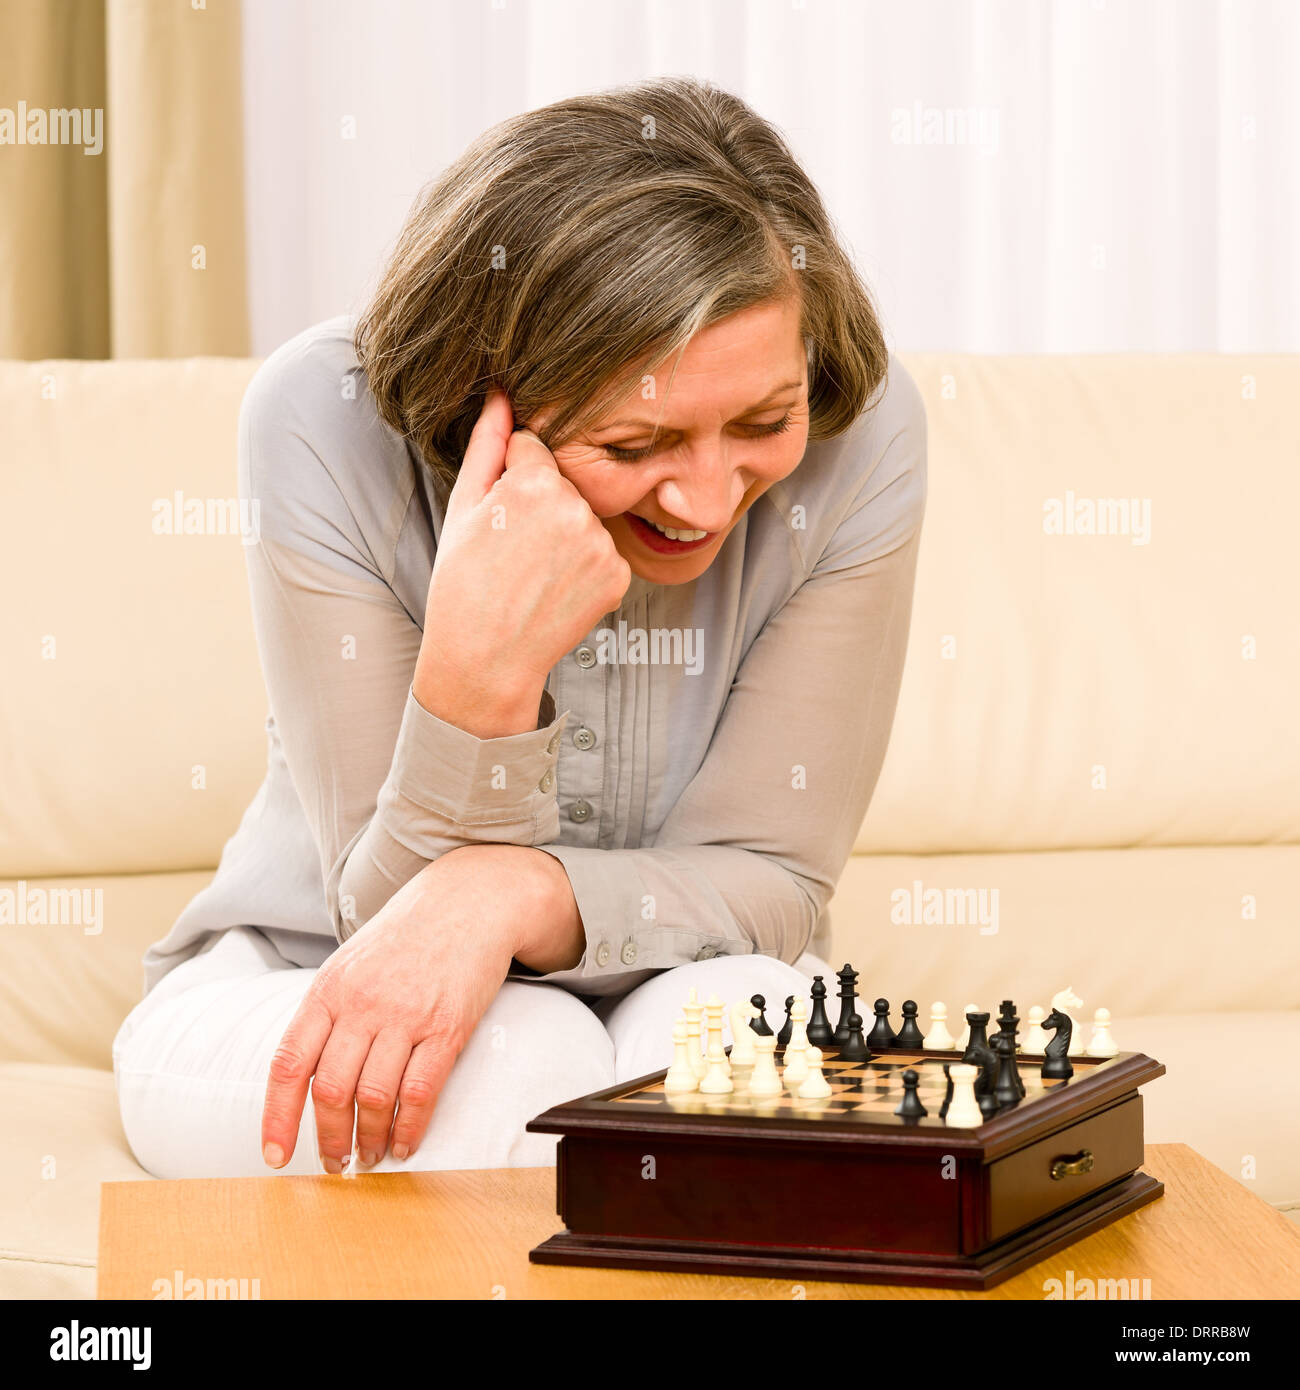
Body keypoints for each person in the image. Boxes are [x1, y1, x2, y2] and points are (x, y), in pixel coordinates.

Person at [112, 75, 926, 1179]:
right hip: (300, 977)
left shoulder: (860, 439)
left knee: (758, 1050)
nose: (701, 498)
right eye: (635, 444)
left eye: (761, 422)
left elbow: (774, 882)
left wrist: (518, 891)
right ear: (479, 392)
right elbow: (384, 926)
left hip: (691, 975)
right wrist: (482, 667)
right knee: (516, 1059)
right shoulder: (322, 420)